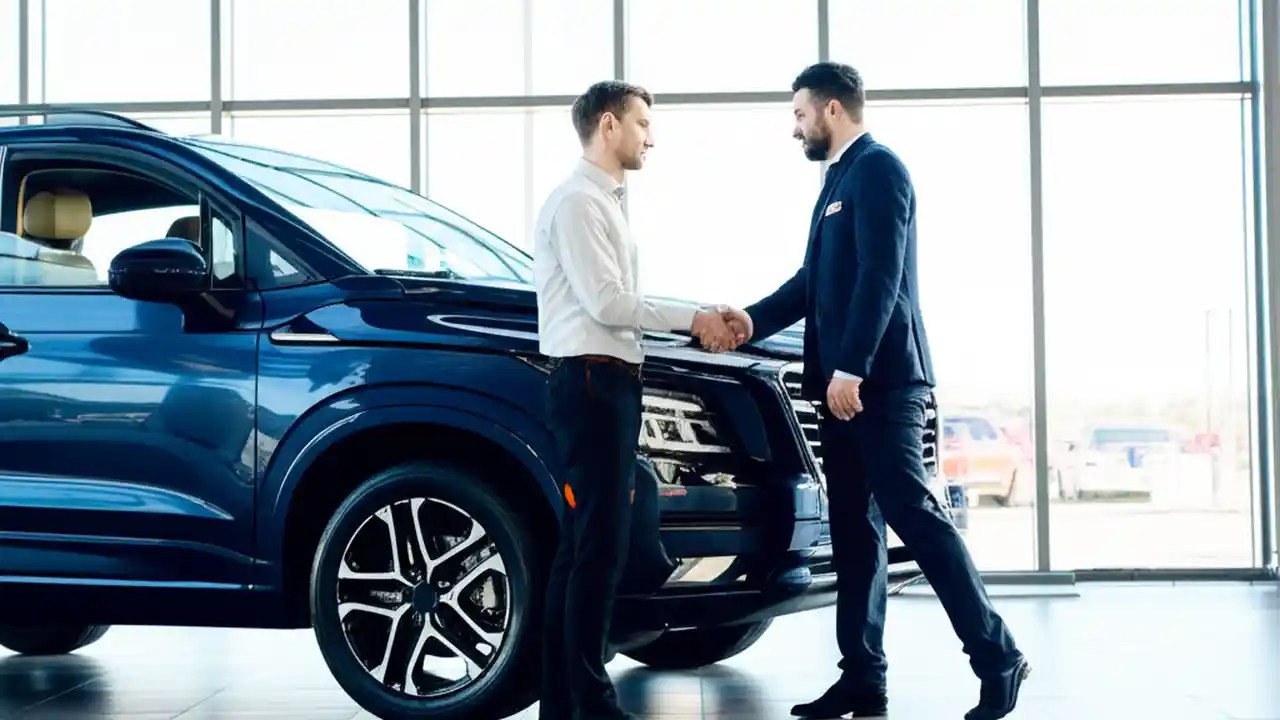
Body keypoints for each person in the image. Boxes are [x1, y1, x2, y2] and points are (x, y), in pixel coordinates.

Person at [726, 62, 1030, 720]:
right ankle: (863, 677)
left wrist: (852, 367)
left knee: (913, 516)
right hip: (842, 389)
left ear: (832, 109)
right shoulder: (836, 182)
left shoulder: (880, 169)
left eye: (801, 114)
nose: (796, 128)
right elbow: (812, 282)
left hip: (881, 385)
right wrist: (749, 321)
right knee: (854, 531)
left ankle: (998, 656)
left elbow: (881, 275)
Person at [533, 80, 749, 720]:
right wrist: (695, 319)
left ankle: (566, 704)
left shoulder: (599, 201)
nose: (650, 137)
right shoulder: (578, 202)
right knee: (597, 550)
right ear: (609, 125)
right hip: (593, 385)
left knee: (585, 547)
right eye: (642, 123)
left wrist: (696, 317)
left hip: (606, 384)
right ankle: (589, 703)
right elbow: (607, 303)